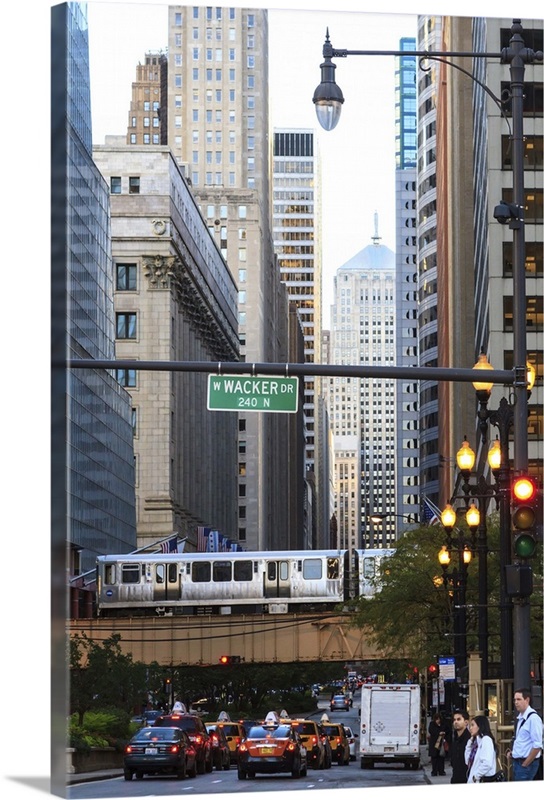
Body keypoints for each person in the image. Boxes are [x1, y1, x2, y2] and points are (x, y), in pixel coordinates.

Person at [506, 687, 542, 781]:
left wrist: (526, 763)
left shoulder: (533, 719)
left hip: (526, 764)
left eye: (519, 699)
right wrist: (513, 754)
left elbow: (537, 745)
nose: (516, 702)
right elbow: (524, 742)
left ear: (527, 700)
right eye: (515, 700)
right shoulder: (521, 718)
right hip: (519, 761)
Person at [465, 715, 497, 783]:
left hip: (482, 780)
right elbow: (467, 761)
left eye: (473, 725)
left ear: (480, 726)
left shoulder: (486, 740)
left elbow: (487, 763)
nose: (470, 728)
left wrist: (476, 776)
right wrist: (470, 741)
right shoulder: (476, 742)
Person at [450, 709, 471, 784]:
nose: (455, 722)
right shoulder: (455, 740)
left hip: (466, 779)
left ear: (466, 722)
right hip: (455, 778)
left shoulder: (470, 740)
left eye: (459, 719)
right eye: (454, 720)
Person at [428, 712, 449, 776]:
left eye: (439, 719)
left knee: (441, 758)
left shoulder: (443, 724)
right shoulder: (432, 724)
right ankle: (434, 771)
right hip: (434, 744)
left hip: (441, 744)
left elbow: (448, 731)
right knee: (434, 758)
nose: (438, 721)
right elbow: (431, 731)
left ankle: (441, 771)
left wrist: (444, 733)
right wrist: (438, 733)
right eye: (437, 719)